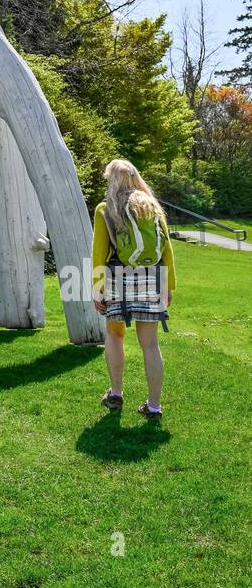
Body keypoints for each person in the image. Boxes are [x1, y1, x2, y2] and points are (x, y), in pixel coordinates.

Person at [91, 158, 176, 419]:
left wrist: (98, 288)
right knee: (150, 344)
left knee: (114, 336)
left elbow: (99, 253)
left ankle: (116, 394)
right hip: (152, 277)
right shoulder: (152, 207)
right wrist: (169, 286)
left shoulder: (106, 208)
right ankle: (154, 406)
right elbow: (167, 251)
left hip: (118, 277)